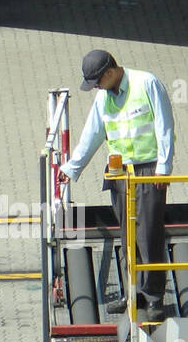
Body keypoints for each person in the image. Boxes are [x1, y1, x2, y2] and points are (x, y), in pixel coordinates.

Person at [58, 49, 176, 320]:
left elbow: (165, 126)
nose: (96, 87)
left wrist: (164, 167)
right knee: (128, 236)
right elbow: (92, 134)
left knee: (148, 235)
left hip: (148, 171)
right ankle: (133, 293)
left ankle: (154, 297)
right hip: (119, 173)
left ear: (110, 72)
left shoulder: (146, 83)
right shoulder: (103, 97)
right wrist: (72, 168)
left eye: (97, 81)